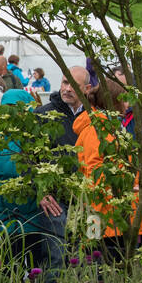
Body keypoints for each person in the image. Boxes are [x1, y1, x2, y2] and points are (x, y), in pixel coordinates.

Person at [0, 90, 52, 267]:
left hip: (33, 219)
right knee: (7, 269)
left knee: (35, 269)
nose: (11, 113)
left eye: (16, 108)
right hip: (3, 217)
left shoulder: (37, 137)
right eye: (7, 108)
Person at [32, 65, 95, 270]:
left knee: (88, 258)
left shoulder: (95, 118)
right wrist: (41, 192)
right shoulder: (43, 115)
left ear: (87, 88)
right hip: (55, 198)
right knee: (56, 257)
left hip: (88, 198)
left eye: (74, 85)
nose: (67, 88)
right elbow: (28, 159)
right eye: (64, 82)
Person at [75, 76, 142, 261]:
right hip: (102, 213)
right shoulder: (96, 128)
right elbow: (93, 169)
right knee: (103, 267)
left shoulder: (108, 125)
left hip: (110, 212)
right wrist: (124, 189)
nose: (128, 104)